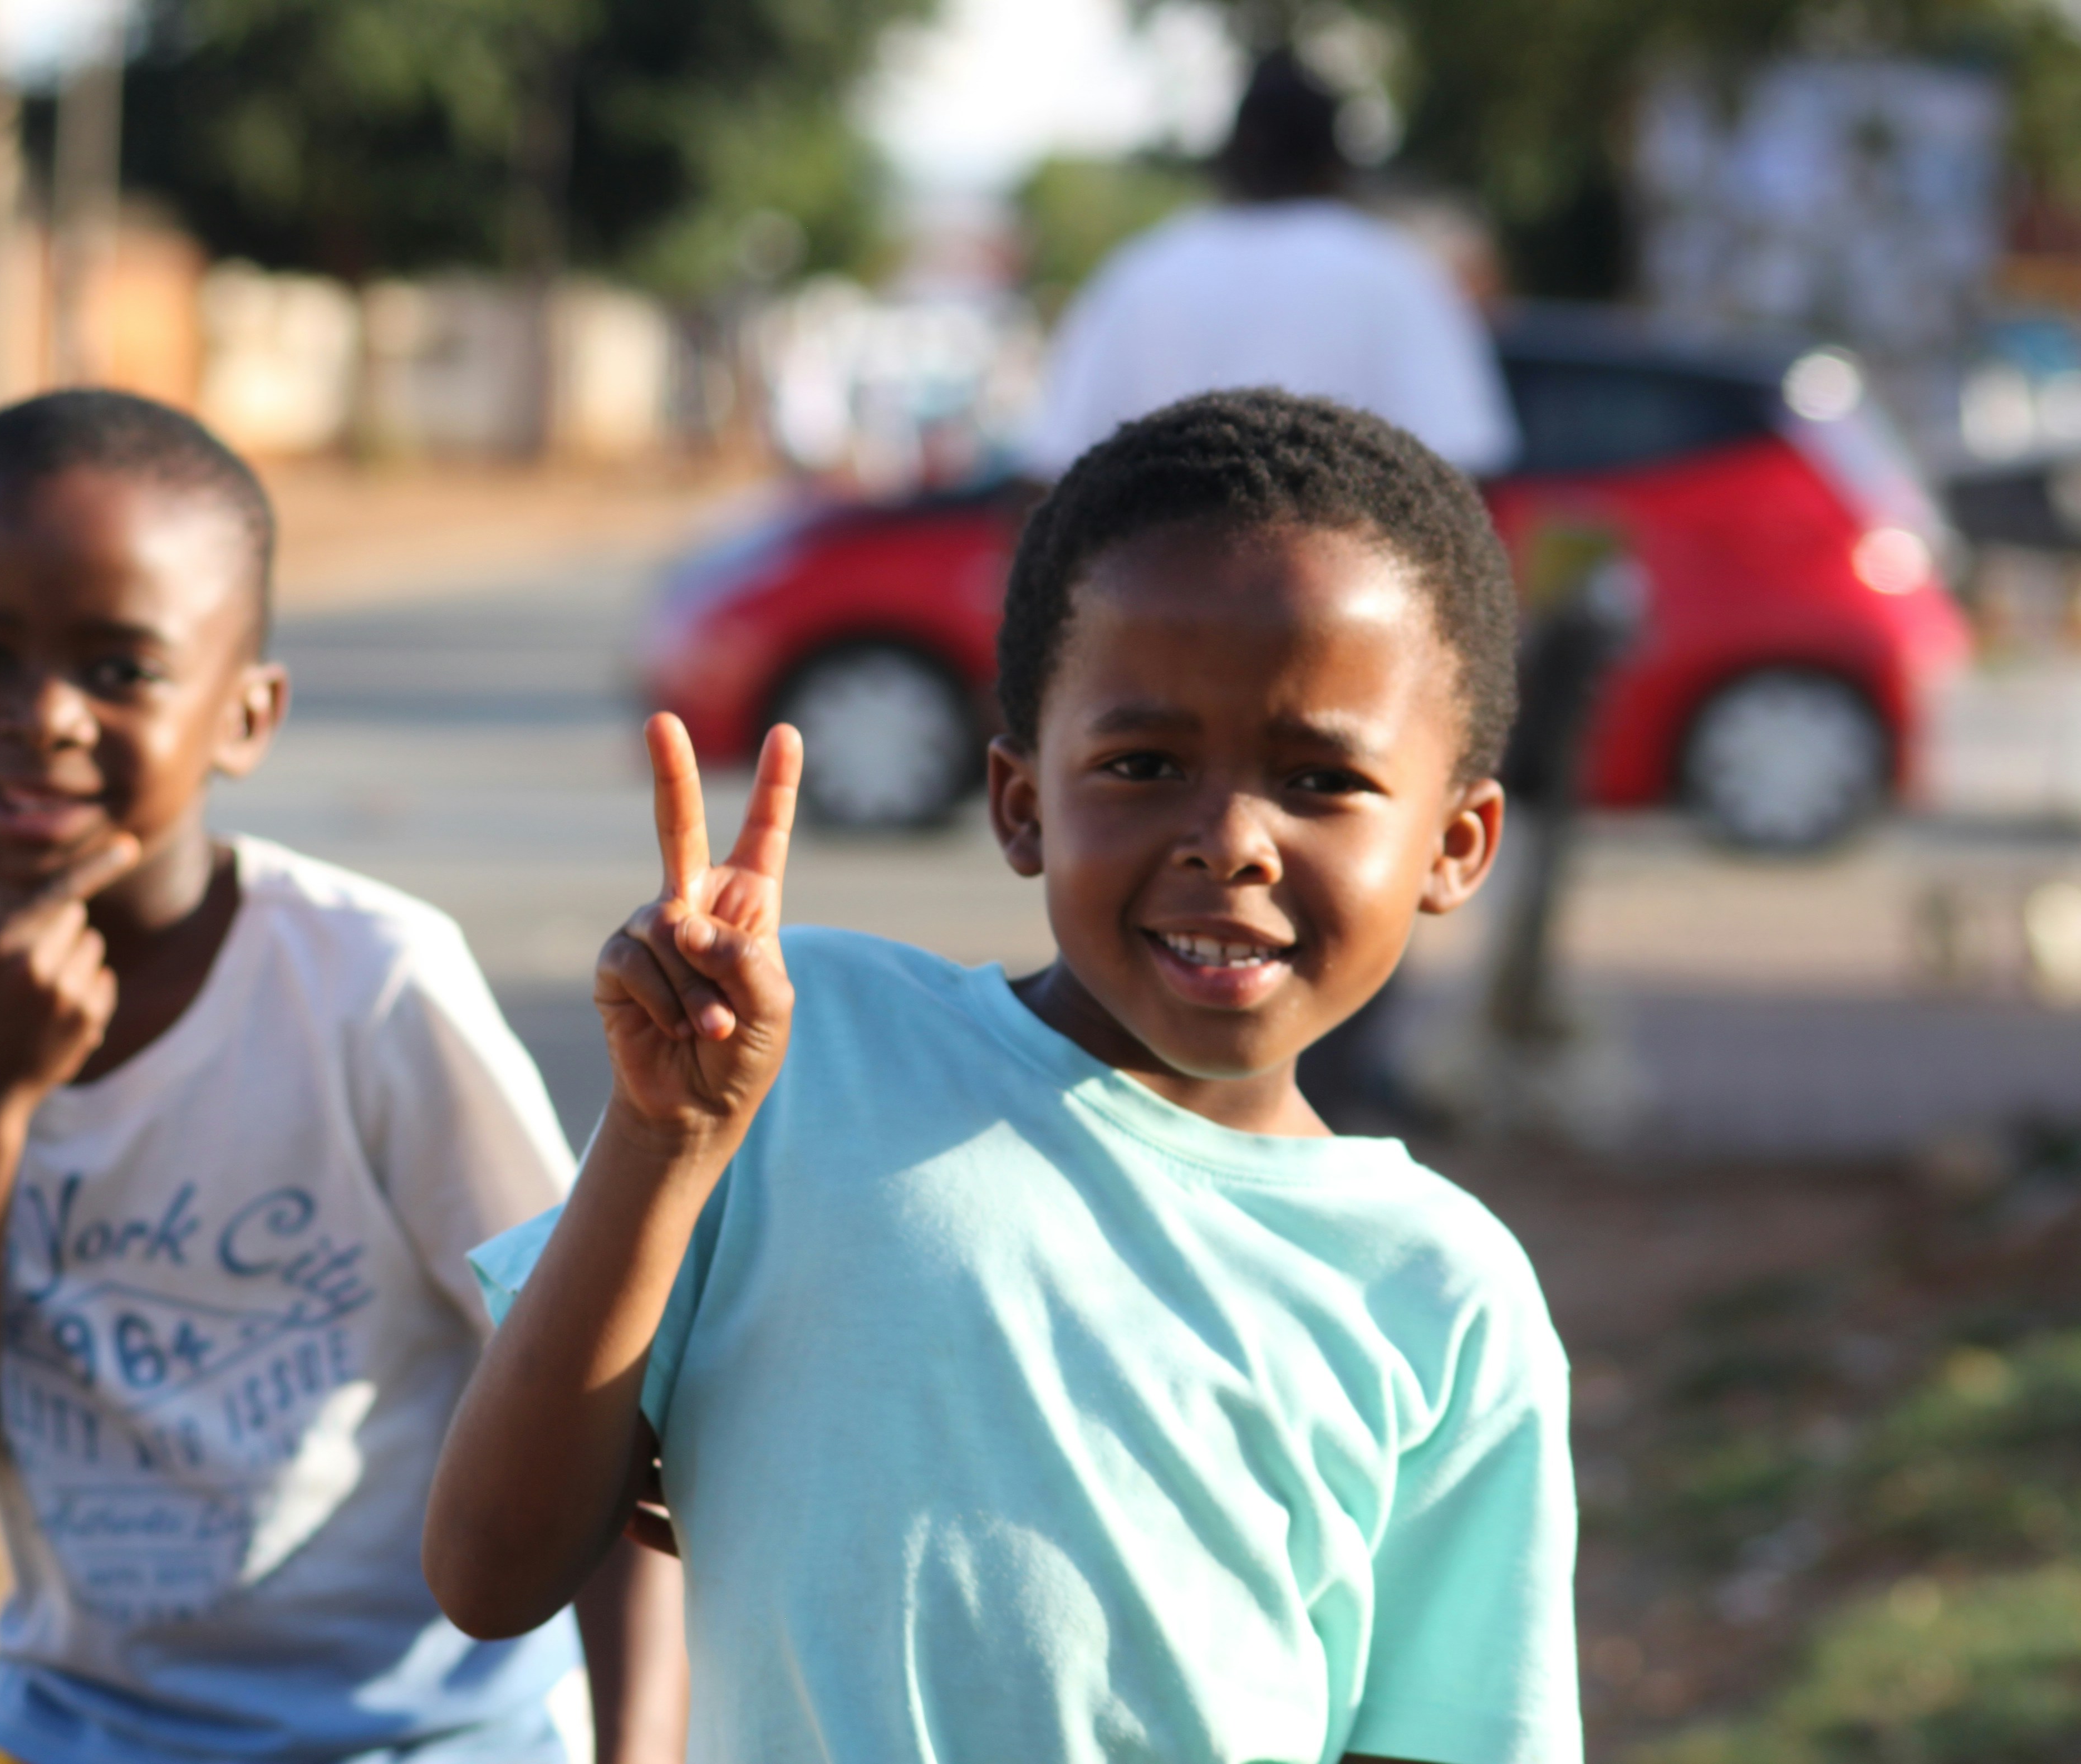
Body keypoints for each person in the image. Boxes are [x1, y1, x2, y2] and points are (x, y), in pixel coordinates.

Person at [424, 391, 1580, 1762]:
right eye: (1141, 763)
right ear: (1020, 801)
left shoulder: (1438, 1288)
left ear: (1457, 842)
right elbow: (489, 1575)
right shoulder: (799, 1051)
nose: (1228, 841)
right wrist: (660, 1139)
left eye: (1319, 779)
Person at [0, 390, 685, 1764]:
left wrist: (637, 1751)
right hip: (73, 1729)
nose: (43, 718)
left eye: (121, 668)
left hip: (430, 1736)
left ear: (246, 713)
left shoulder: (369, 984)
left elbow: (599, 1399)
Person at [1019, 51, 1517, 482]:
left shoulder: (1140, 272)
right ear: (1336, 164)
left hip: (1159, 587)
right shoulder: (1394, 272)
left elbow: (1049, 471)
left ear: (1229, 159)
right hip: (1349, 587)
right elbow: (1467, 466)